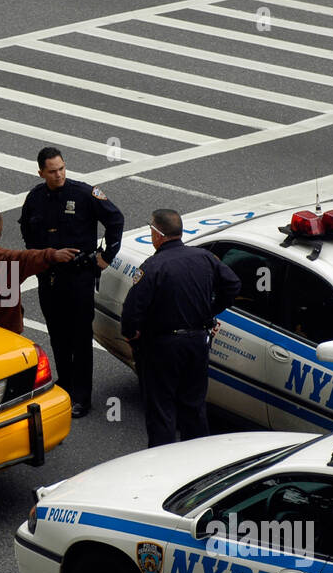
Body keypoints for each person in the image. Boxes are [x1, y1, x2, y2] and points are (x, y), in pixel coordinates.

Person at [120, 209, 241, 447]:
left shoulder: (153, 267)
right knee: (194, 406)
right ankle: (196, 463)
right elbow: (233, 285)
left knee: (161, 410)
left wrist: (132, 336)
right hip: (197, 343)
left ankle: (164, 465)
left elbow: (133, 311)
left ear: (157, 234)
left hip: (161, 347)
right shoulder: (204, 258)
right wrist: (210, 312)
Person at [19, 147, 123, 419]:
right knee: (57, 336)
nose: (59, 175)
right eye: (52, 171)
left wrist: (105, 256)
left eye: (62, 168)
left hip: (79, 278)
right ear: (41, 172)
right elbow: (27, 232)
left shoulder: (84, 193)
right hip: (50, 278)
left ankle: (82, 397)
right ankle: (64, 386)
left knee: (79, 337)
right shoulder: (35, 198)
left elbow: (115, 218)